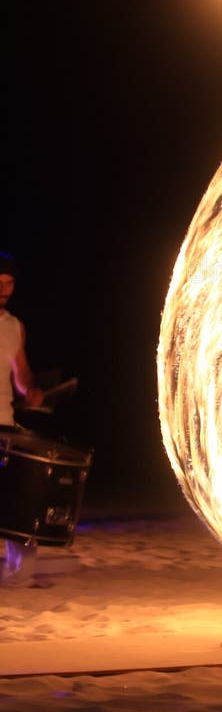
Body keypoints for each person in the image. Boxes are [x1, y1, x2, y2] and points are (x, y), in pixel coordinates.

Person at [0, 251, 45, 587]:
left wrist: (30, 390)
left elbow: (21, 372)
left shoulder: (14, 327)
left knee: (16, 500)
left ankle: (18, 576)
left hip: (4, 421)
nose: (4, 289)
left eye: (9, 283)